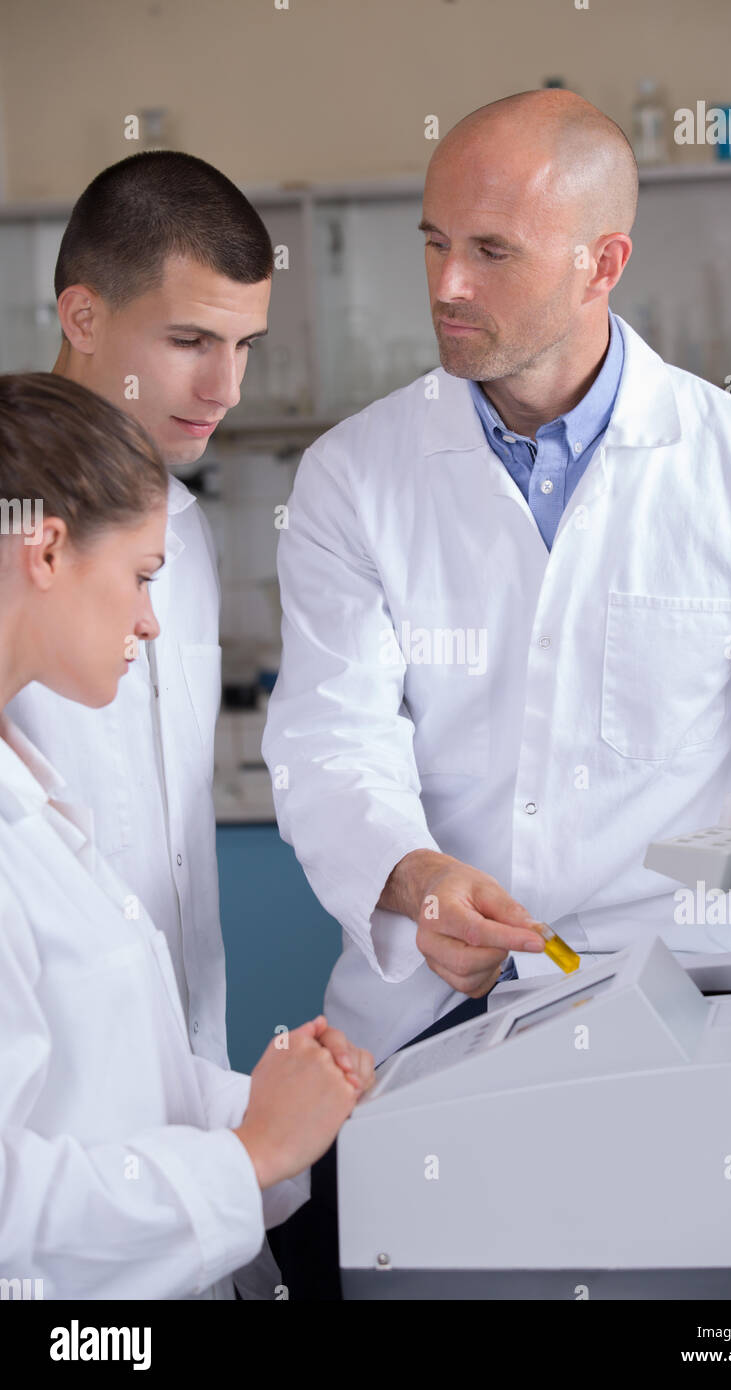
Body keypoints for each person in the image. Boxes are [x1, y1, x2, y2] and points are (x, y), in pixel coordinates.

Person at [263, 88, 731, 1062]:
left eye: (491, 251)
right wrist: (417, 879)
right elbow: (333, 735)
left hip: (673, 1008)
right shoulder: (353, 473)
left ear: (603, 263)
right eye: (432, 242)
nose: (447, 283)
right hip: (432, 1009)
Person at [0, 372, 374, 1299]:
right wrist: (250, 1151)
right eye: (139, 576)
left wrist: (276, 1110)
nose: (148, 619)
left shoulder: (31, 797)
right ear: (46, 550)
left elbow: (110, 1090)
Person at [8, 151, 277, 1294]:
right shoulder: (22, 527)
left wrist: (238, 1134)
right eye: (189, 341)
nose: (224, 387)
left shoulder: (191, 540)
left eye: (244, 349)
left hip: (175, 1102)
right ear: (81, 311)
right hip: (57, 1167)